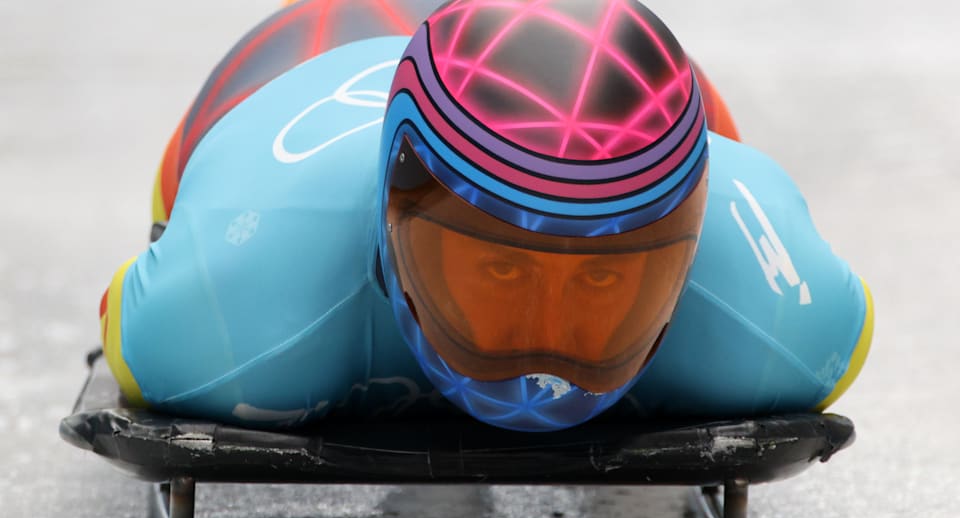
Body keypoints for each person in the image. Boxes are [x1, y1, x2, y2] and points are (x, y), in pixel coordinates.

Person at [98, 0, 872, 432]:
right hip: (290, 82)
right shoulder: (788, 334)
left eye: (604, 274)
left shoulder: (219, 336)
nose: (544, 350)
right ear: (389, 207)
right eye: (502, 268)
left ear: (693, 241)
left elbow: (122, 317)